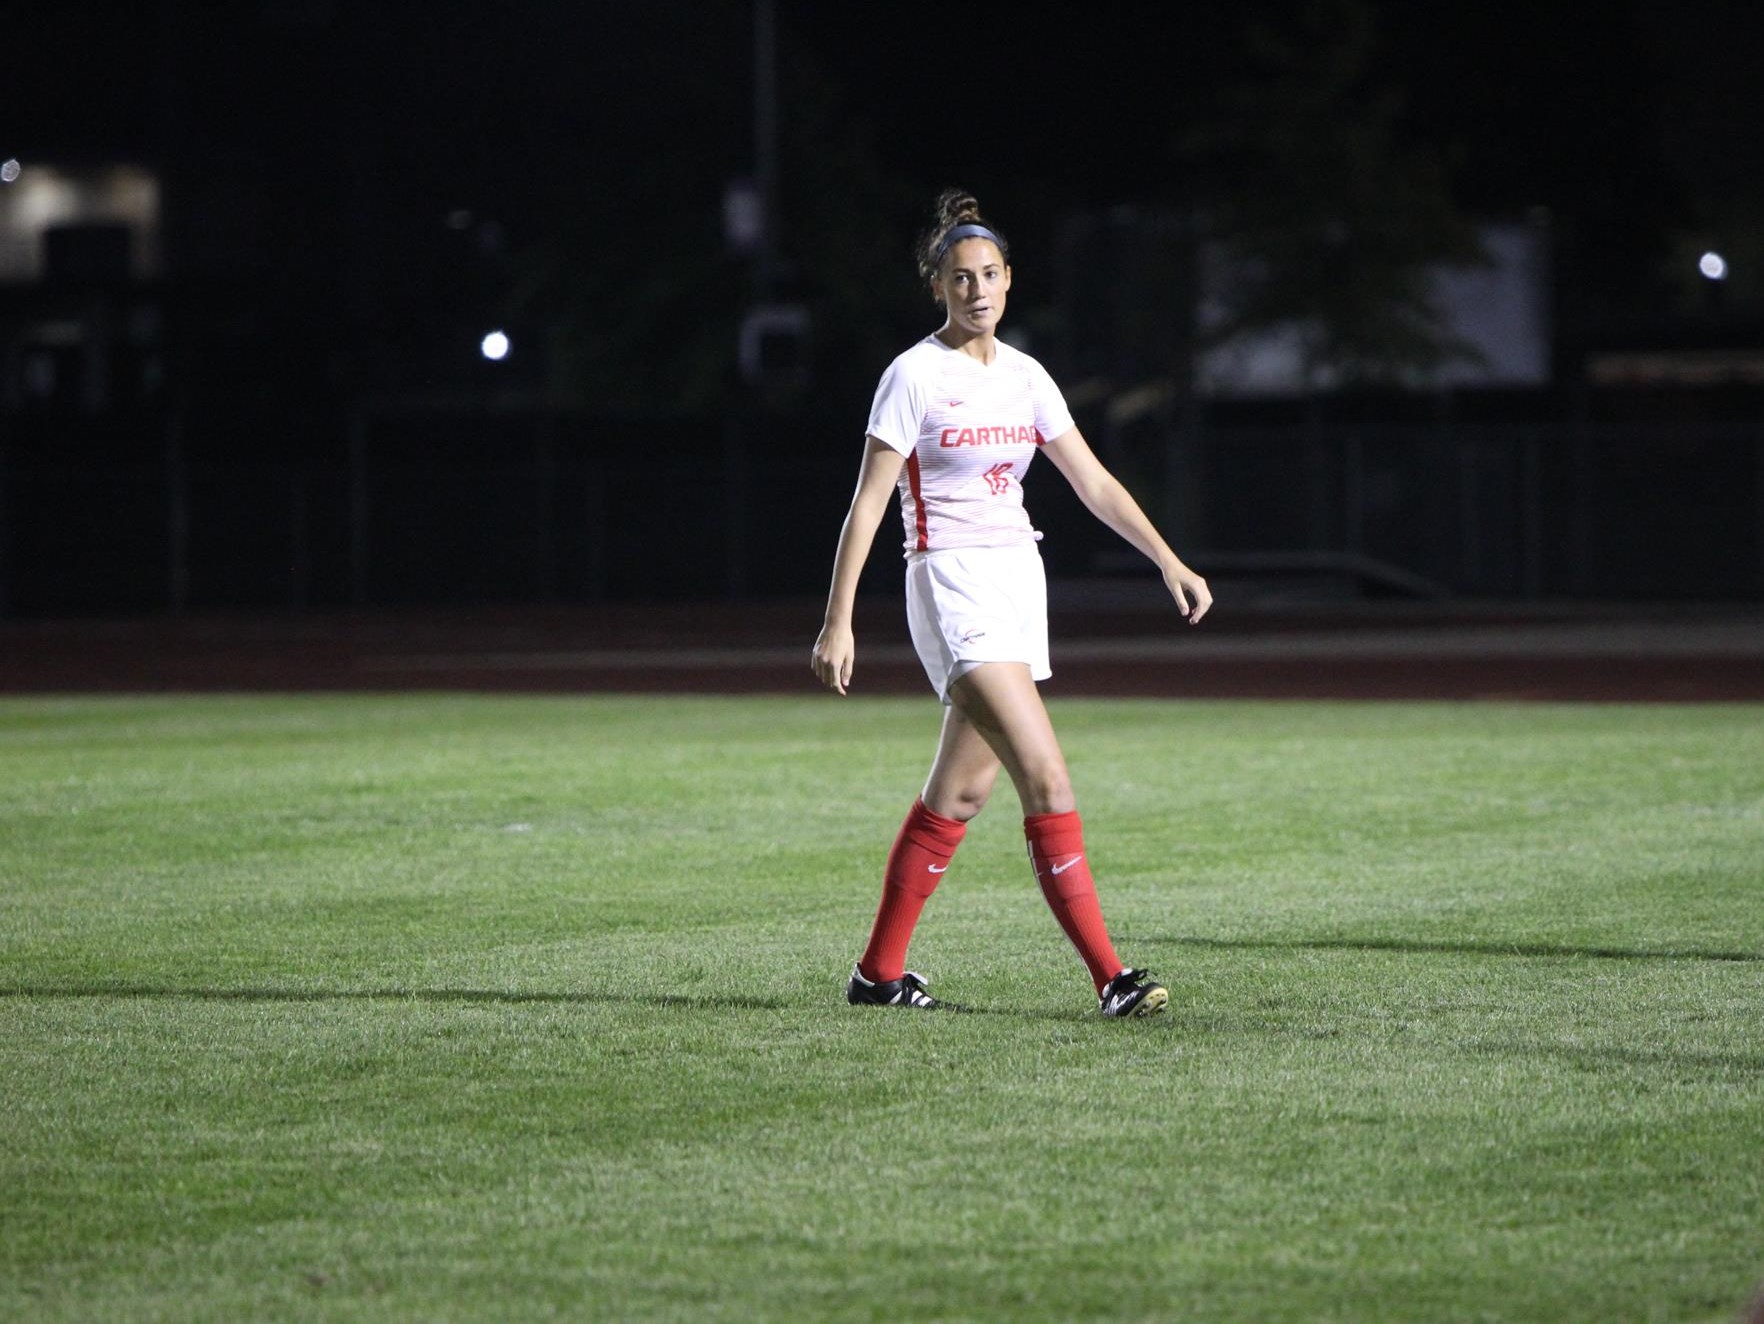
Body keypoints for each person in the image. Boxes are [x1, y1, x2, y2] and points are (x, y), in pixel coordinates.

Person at [811, 188, 1212, 1018]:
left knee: (959, 795)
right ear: (938, 288)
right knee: (1047, 772)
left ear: (1008, 280)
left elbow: (1092, 482)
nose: (978, 290)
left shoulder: (1028, 376)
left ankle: (877, 977)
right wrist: (838, 618)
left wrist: (1166, 558)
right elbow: (869, 503)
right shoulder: (914, 375)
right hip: (949, 584)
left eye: (990, 274)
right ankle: (1111, 977)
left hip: (1015, 584)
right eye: (960, 279)